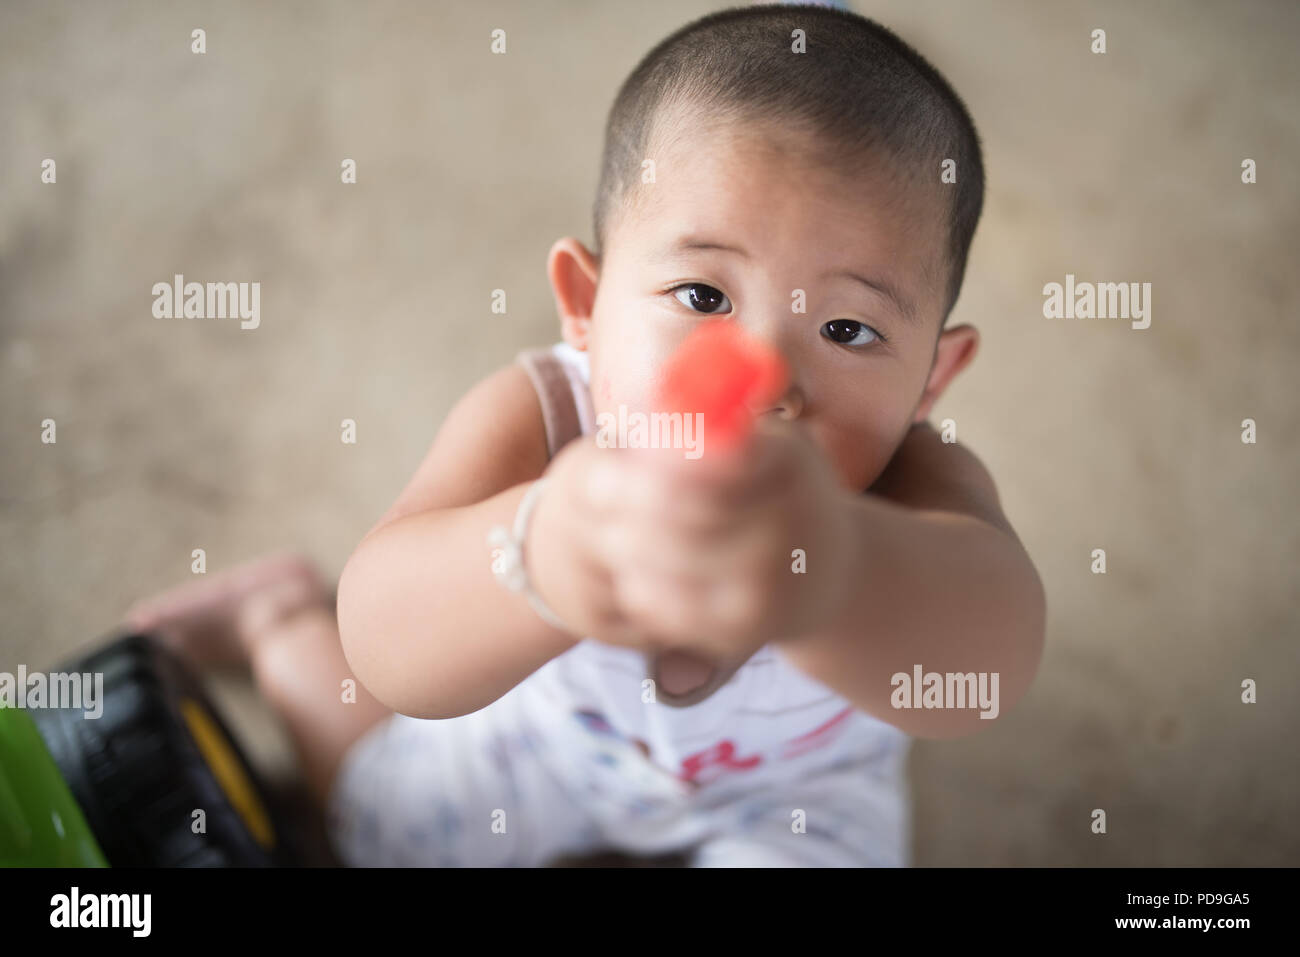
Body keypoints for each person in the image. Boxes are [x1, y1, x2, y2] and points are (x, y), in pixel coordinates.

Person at [129, 4, 1045, 867]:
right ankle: (278, 618)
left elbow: (985, 665)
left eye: (849, 330)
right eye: (704, 296)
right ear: (585, 304)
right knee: (383, 832)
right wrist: (542, 551)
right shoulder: (546, 414)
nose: (765, 378)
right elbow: (388, 634)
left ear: (932, 378)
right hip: (545, 744)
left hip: (796, 790)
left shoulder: (914, 472)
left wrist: (840, 565)